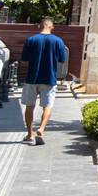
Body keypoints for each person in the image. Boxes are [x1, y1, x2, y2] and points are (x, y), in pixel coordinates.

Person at [20, 18, 67, 146]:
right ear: (52, 26)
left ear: (40, 25)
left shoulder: (31, 40)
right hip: (49, 78)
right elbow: (62, 60)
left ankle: (29, 135)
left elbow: (24, 58)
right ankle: (41, 129)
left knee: (29, 106)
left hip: (31, 78)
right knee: (48, 105)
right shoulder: (58, 41)